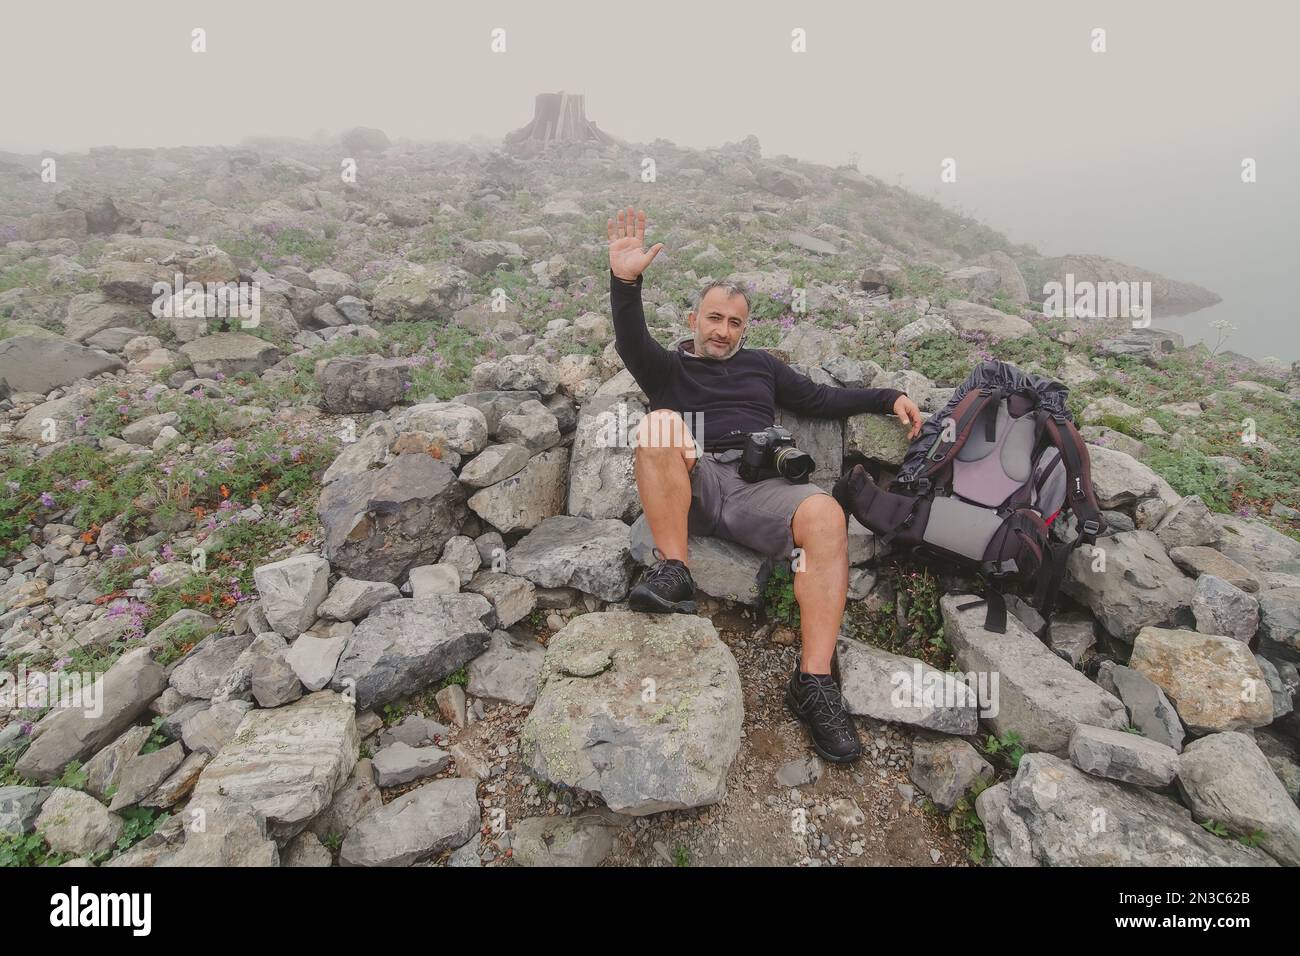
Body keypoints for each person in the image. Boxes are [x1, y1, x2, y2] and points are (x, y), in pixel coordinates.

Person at [608, 206, 924, 762]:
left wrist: (885, 396)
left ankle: (815, 682)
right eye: (713, 318)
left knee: (826, 514)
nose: (722, 331)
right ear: (693, 320)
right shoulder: (666, 367)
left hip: (760, 487)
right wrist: (625, 282)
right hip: (697, 482)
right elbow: (631, 340)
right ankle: (674, 570)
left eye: (733, 322)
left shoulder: (765, 366)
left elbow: (822, 401)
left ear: (744, 328)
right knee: (658, 425)